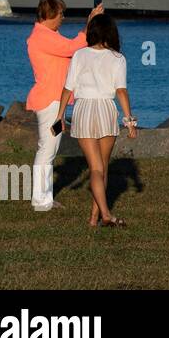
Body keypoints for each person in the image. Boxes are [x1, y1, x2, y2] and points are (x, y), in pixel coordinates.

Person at [26, 0, 103, 212]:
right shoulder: (41, 37)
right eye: (61, 13)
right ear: (50, 14)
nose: (63, 17)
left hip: (54, 101)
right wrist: (89, 23)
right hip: (49, 101)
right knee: (47, 150)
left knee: (49, 149)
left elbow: (72, 49)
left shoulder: (49, 35)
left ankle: (44, 198)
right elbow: (72, 48)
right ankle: (41, 200)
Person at [60, 13, 136, 227]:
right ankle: (104, 215)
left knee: (95, 169)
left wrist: (60, 117)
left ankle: (95, 217)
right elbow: (121, 91)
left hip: (83, 109)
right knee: (102, 168)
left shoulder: (79, 55)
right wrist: (129, 120)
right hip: (105, 109)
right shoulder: (118, 58)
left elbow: (68, 89)